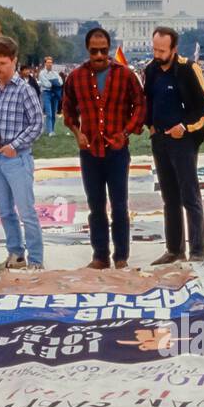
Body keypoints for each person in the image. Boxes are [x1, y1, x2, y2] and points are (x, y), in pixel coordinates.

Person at [62, 26, 146, 269]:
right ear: (87, 50)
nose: (99, 56)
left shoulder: (126, 75)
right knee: (95, 206)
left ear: (109, 49)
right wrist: (77, 133)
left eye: (103, 51)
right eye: (93, 51)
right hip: (90, 151)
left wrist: (126, 132)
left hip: (117, 151)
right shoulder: (76, 77)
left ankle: (121, 257)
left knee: (119, 206)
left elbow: (140, 105)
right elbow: (67, 110)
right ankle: (100, 255)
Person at [144, 25, 204, 265]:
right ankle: (174, 249)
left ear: (174, 49)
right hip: (160, 140)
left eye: (162, 50)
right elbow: (148, 101)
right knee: (169, 198)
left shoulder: (187, 69)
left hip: (183, 141)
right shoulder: (151, 70)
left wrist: (184, 126)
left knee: (189, 196)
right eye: (154, 49)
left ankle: (197, 250)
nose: (157, 54)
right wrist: (150, 125)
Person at [0, 35, 45, 270]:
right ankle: (16, 253)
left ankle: (36, 259)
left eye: (2, 63)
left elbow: (37, 123)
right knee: (5, 210)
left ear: (14, 61)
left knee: (26, 211)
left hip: (18, 159)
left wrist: (16, 145)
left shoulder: (24, 90)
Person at [37, 57, 59, 136]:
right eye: (48, 62)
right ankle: (49, 131)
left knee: (54, 113)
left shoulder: (55, 73)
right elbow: (46, 84)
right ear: (45, 63)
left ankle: (52, 130)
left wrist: (53, 82)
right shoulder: (42, 73)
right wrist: (54, 82)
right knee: (49, 113)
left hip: (55, 93)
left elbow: (60, 81)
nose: (50, 64)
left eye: (51, 62)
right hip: (46, 93)